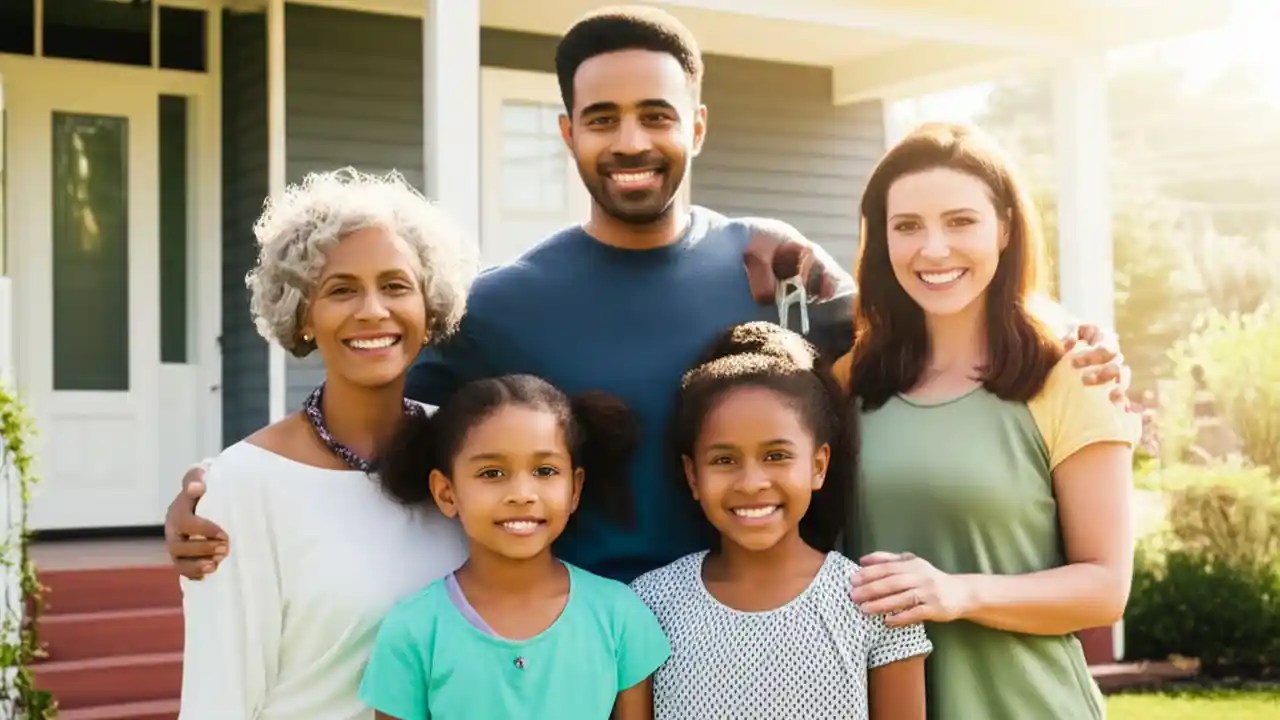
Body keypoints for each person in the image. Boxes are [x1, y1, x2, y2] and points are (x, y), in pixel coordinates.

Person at [163, 7, 1128, 587]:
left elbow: (924, 329)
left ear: (696, 126)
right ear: (568, 133)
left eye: (656, 115)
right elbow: (368, 415)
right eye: (603, 119)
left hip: (769, 655)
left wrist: (1071, 344)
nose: (631, 142)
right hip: (587, 665)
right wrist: (225, 483)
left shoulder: (782, 267)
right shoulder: (501, 307)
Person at [839, 123, 1139, 719]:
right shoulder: (851, 380)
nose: (933, 250)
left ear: (1004, 228)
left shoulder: (1074, 374)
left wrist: (959, 592)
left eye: (960, 221)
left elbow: (1106, 589)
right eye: (907, 226)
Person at [177, 169, 476, 719]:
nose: (373, 310)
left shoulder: (468, 452)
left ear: (428, 307)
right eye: (341, 290)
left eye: (395, 286)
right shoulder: (245, 485)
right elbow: (217, 700)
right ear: (303, 315)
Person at [632, 322, 930, 720]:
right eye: (724, 460)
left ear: (818, 466)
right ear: (693, 476)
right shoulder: (651, 605)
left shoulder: (877, 604)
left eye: (776, 456)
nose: (751, 483)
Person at [357, 375, 669, 719]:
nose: (522, 494)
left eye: (545, 471)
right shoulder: (413, 630)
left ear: (575, 488)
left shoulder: (619, 617)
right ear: (447, 493)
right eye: (492, 473)